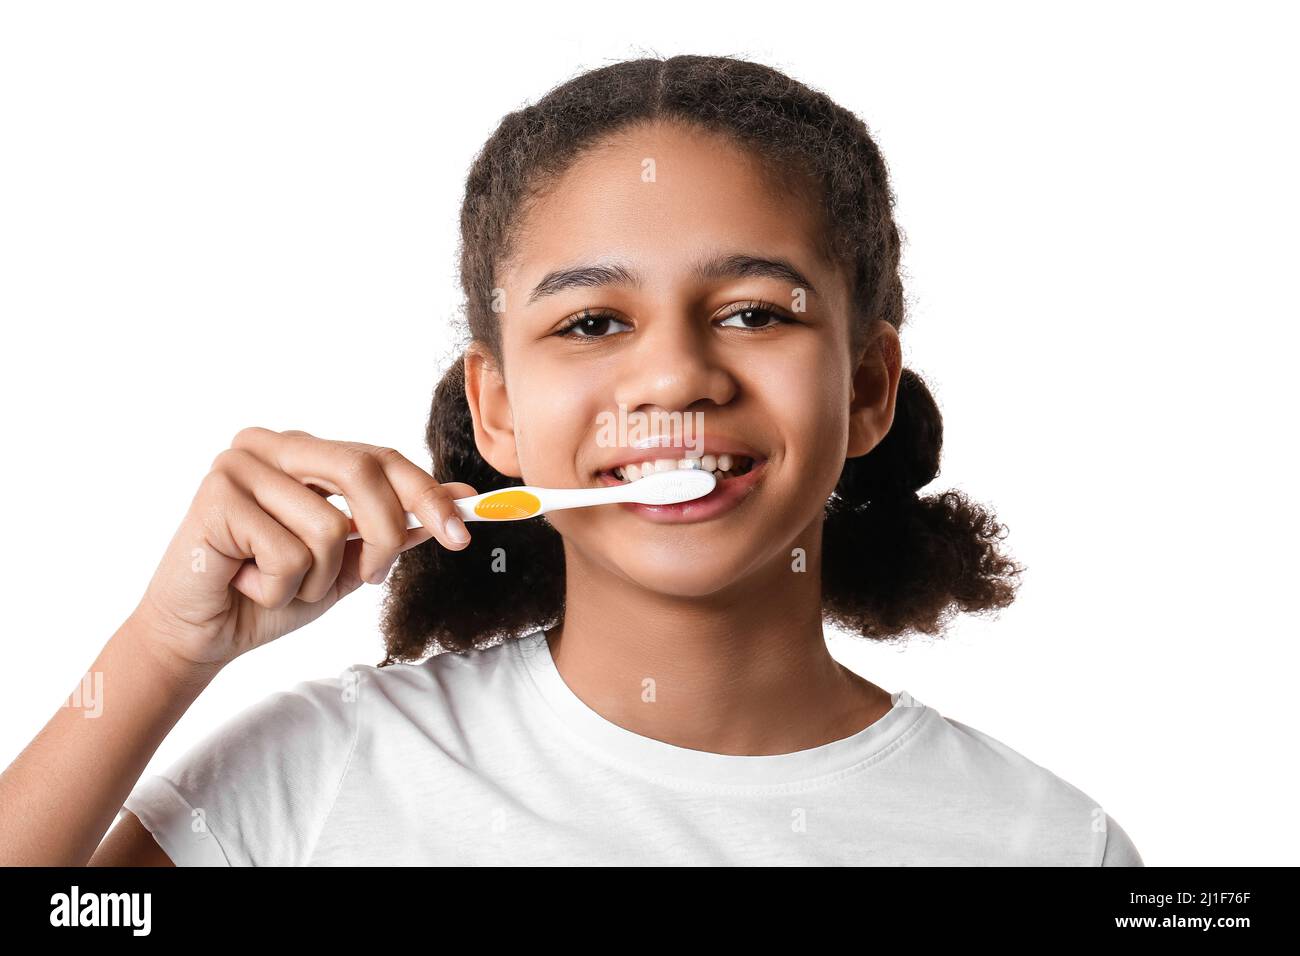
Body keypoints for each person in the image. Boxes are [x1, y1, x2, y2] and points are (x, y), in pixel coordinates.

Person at [0, 54, 1142, 866]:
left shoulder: (1046, 841)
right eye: (592, 322)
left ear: (865, 387)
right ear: (493, 412)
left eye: (752, 312)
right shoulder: (318, 774)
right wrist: (160, 651)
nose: (674, 376)